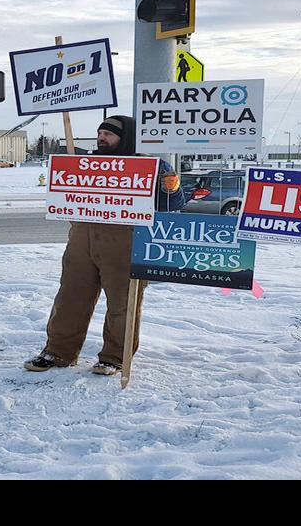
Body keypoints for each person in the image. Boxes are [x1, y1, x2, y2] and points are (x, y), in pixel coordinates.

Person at [24, 115, 187, 376]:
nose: (101, 138)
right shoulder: (85, 163)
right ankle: (58, 352)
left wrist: (169, 183)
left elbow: (173, 205)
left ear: (126, 138)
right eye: (100, 133)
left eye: (108, 134)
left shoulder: (151, 165)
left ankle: (114, 357)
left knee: (122, 304)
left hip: (125, 242)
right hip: (81, 240)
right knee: (69, 299)